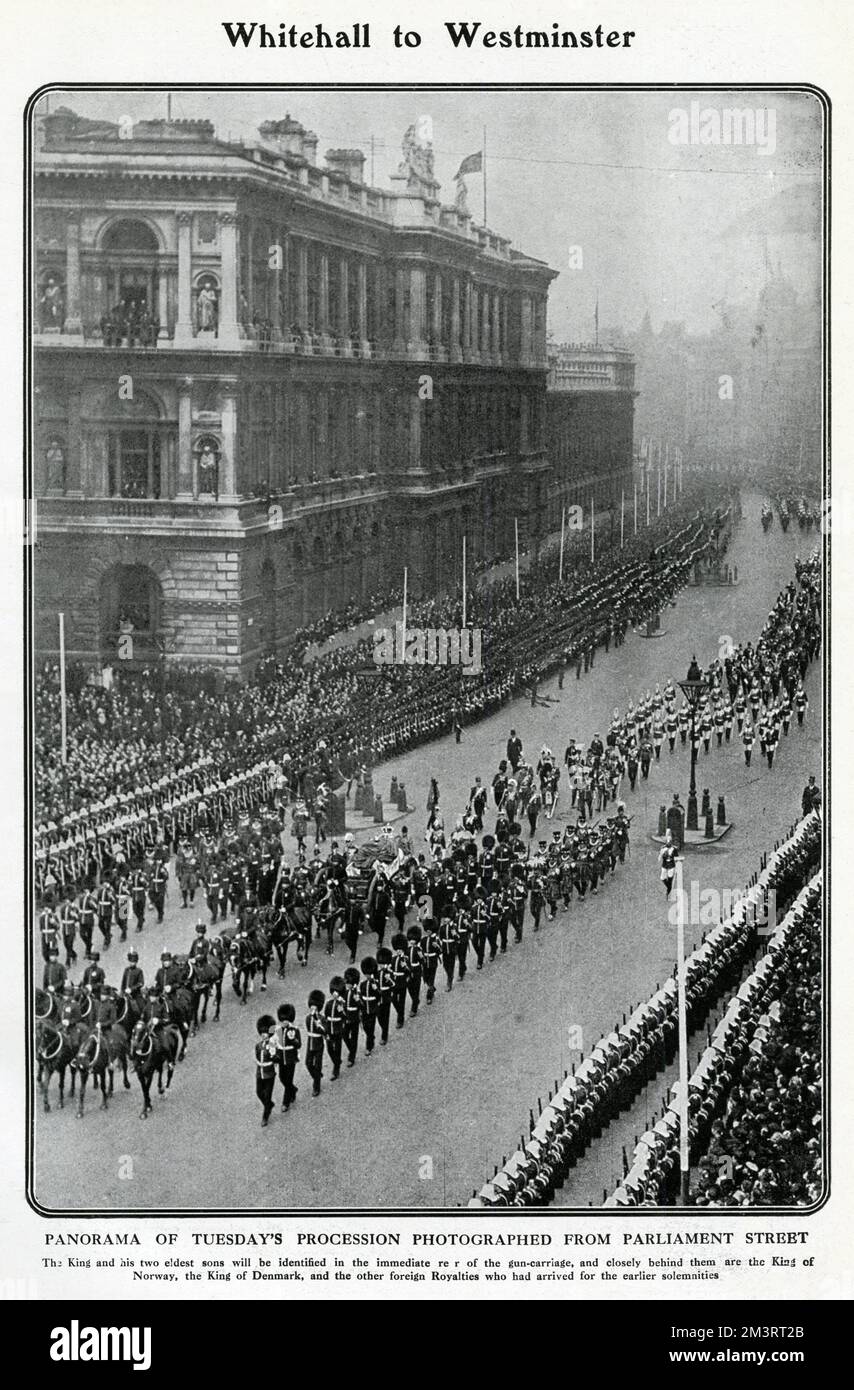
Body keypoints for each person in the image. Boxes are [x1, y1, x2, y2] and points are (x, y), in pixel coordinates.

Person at [275, 1002, 300, 1111]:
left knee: (288, 1080)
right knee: (282, 1078)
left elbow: (299, 1044)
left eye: (286, 1020)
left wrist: (293, 1040)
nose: (284, 1022)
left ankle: (285, 1103)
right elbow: (274, 1043)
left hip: (290, 1057)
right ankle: (293, 1090)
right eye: (282, 1019)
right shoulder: (277, 1029)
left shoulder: (295, 1029)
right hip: (281, 1057)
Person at [254, 1015, 278, 1126]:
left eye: (265, 1033)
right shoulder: (258, 1046)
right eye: (262, 1033)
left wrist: (273, 1055)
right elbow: (258, 1057)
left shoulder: (272, 1044)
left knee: (267, 1095)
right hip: (260, 1073)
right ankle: (269, 1105)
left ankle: (265, 1115)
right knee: (259, 1092)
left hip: (269, 1074)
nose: (263, 1035)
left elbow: (277, 1059)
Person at [323, 977, 346, 1079]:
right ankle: (337, 1061)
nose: (334, 994)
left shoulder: (340, 1004)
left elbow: (344, 1016)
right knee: (329, 1049)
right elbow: (326, 1016)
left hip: (338, 1030)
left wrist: (341, 1005)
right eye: (333, 992)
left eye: (337, 992)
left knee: (337, 1049)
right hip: (330, 1029)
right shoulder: (328, 1004)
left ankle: (336, 1069)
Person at [304, 990, 326, 1096]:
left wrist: (318, 1022)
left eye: (314, 1007)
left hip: (318, 1044)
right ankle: (317, 1077)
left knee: (317, 1066)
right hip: (310, 1043)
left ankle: (316, 1087)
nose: (312, 1009)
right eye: (311, 1007)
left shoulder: (322, 1019)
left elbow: (324, 1031)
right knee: (308, 1064)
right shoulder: (308, 1018)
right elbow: (309, 1027)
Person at [359, 956, 380, 1052]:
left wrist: (376, 989)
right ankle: (371, 1037)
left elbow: (378, 996)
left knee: (370, 1027)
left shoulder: (375, 983)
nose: (367, 976)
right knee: (365, 1026)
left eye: (369, 974)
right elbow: (361, 996)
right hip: (365, 1009)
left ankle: (369, 1046)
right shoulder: (362, 984)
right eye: (366, 974)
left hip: (372, 1008)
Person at [342, 966, 362, 1067]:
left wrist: (357, 999)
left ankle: (352, 1057)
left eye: (348, 983)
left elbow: (360, 1005)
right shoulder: (345, 992)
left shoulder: (356, 993)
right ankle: (352, 1050)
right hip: (347, 1016)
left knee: (354, 1037)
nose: (347, 985)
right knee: (345, 1035)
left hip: (354, 1017)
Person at [658, 832, 677, 898]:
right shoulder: (663, 848)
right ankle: (669, 887)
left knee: (670, 877)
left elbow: (677, 857)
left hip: (671, 865)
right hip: (665, 865)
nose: (668, 843)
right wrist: (662, 854)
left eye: (670, 842)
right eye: (667, 841)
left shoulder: (674, 849)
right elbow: (660, 856)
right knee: (662, 878)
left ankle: (668, 892)